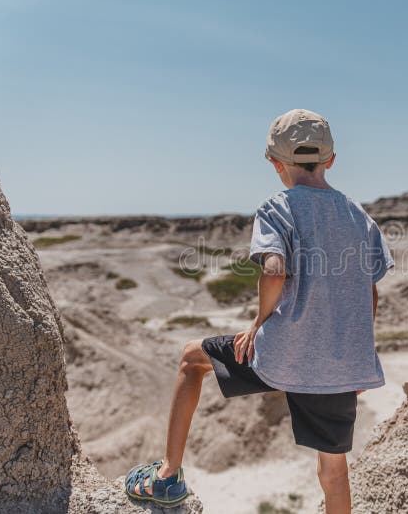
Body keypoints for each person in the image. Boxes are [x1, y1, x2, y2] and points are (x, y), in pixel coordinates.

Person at [124, 109, 394, 513]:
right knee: (333, 471)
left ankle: (167, 476)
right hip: (338, 364)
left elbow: (273, 271)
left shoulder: (277, 208)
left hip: (283, 354)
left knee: (190, 359)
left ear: (275, 163)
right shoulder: (359, 215)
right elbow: (369, 292)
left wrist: (257, 323)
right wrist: (355, 356)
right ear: (331, 160)